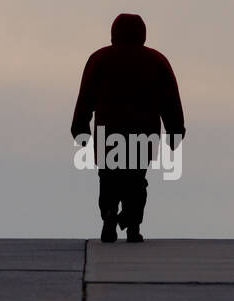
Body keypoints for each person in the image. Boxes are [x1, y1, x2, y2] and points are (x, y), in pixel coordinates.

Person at [71, 13, 185, 243]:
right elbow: (170, 100)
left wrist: (80, 128)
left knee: (109, 177)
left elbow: (86, 98)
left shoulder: (99, 59)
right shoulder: (157, 61)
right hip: (143, 132)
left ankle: (109, 216)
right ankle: (132, 225)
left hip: (109, 132)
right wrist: (175, 131)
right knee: (136, 180)